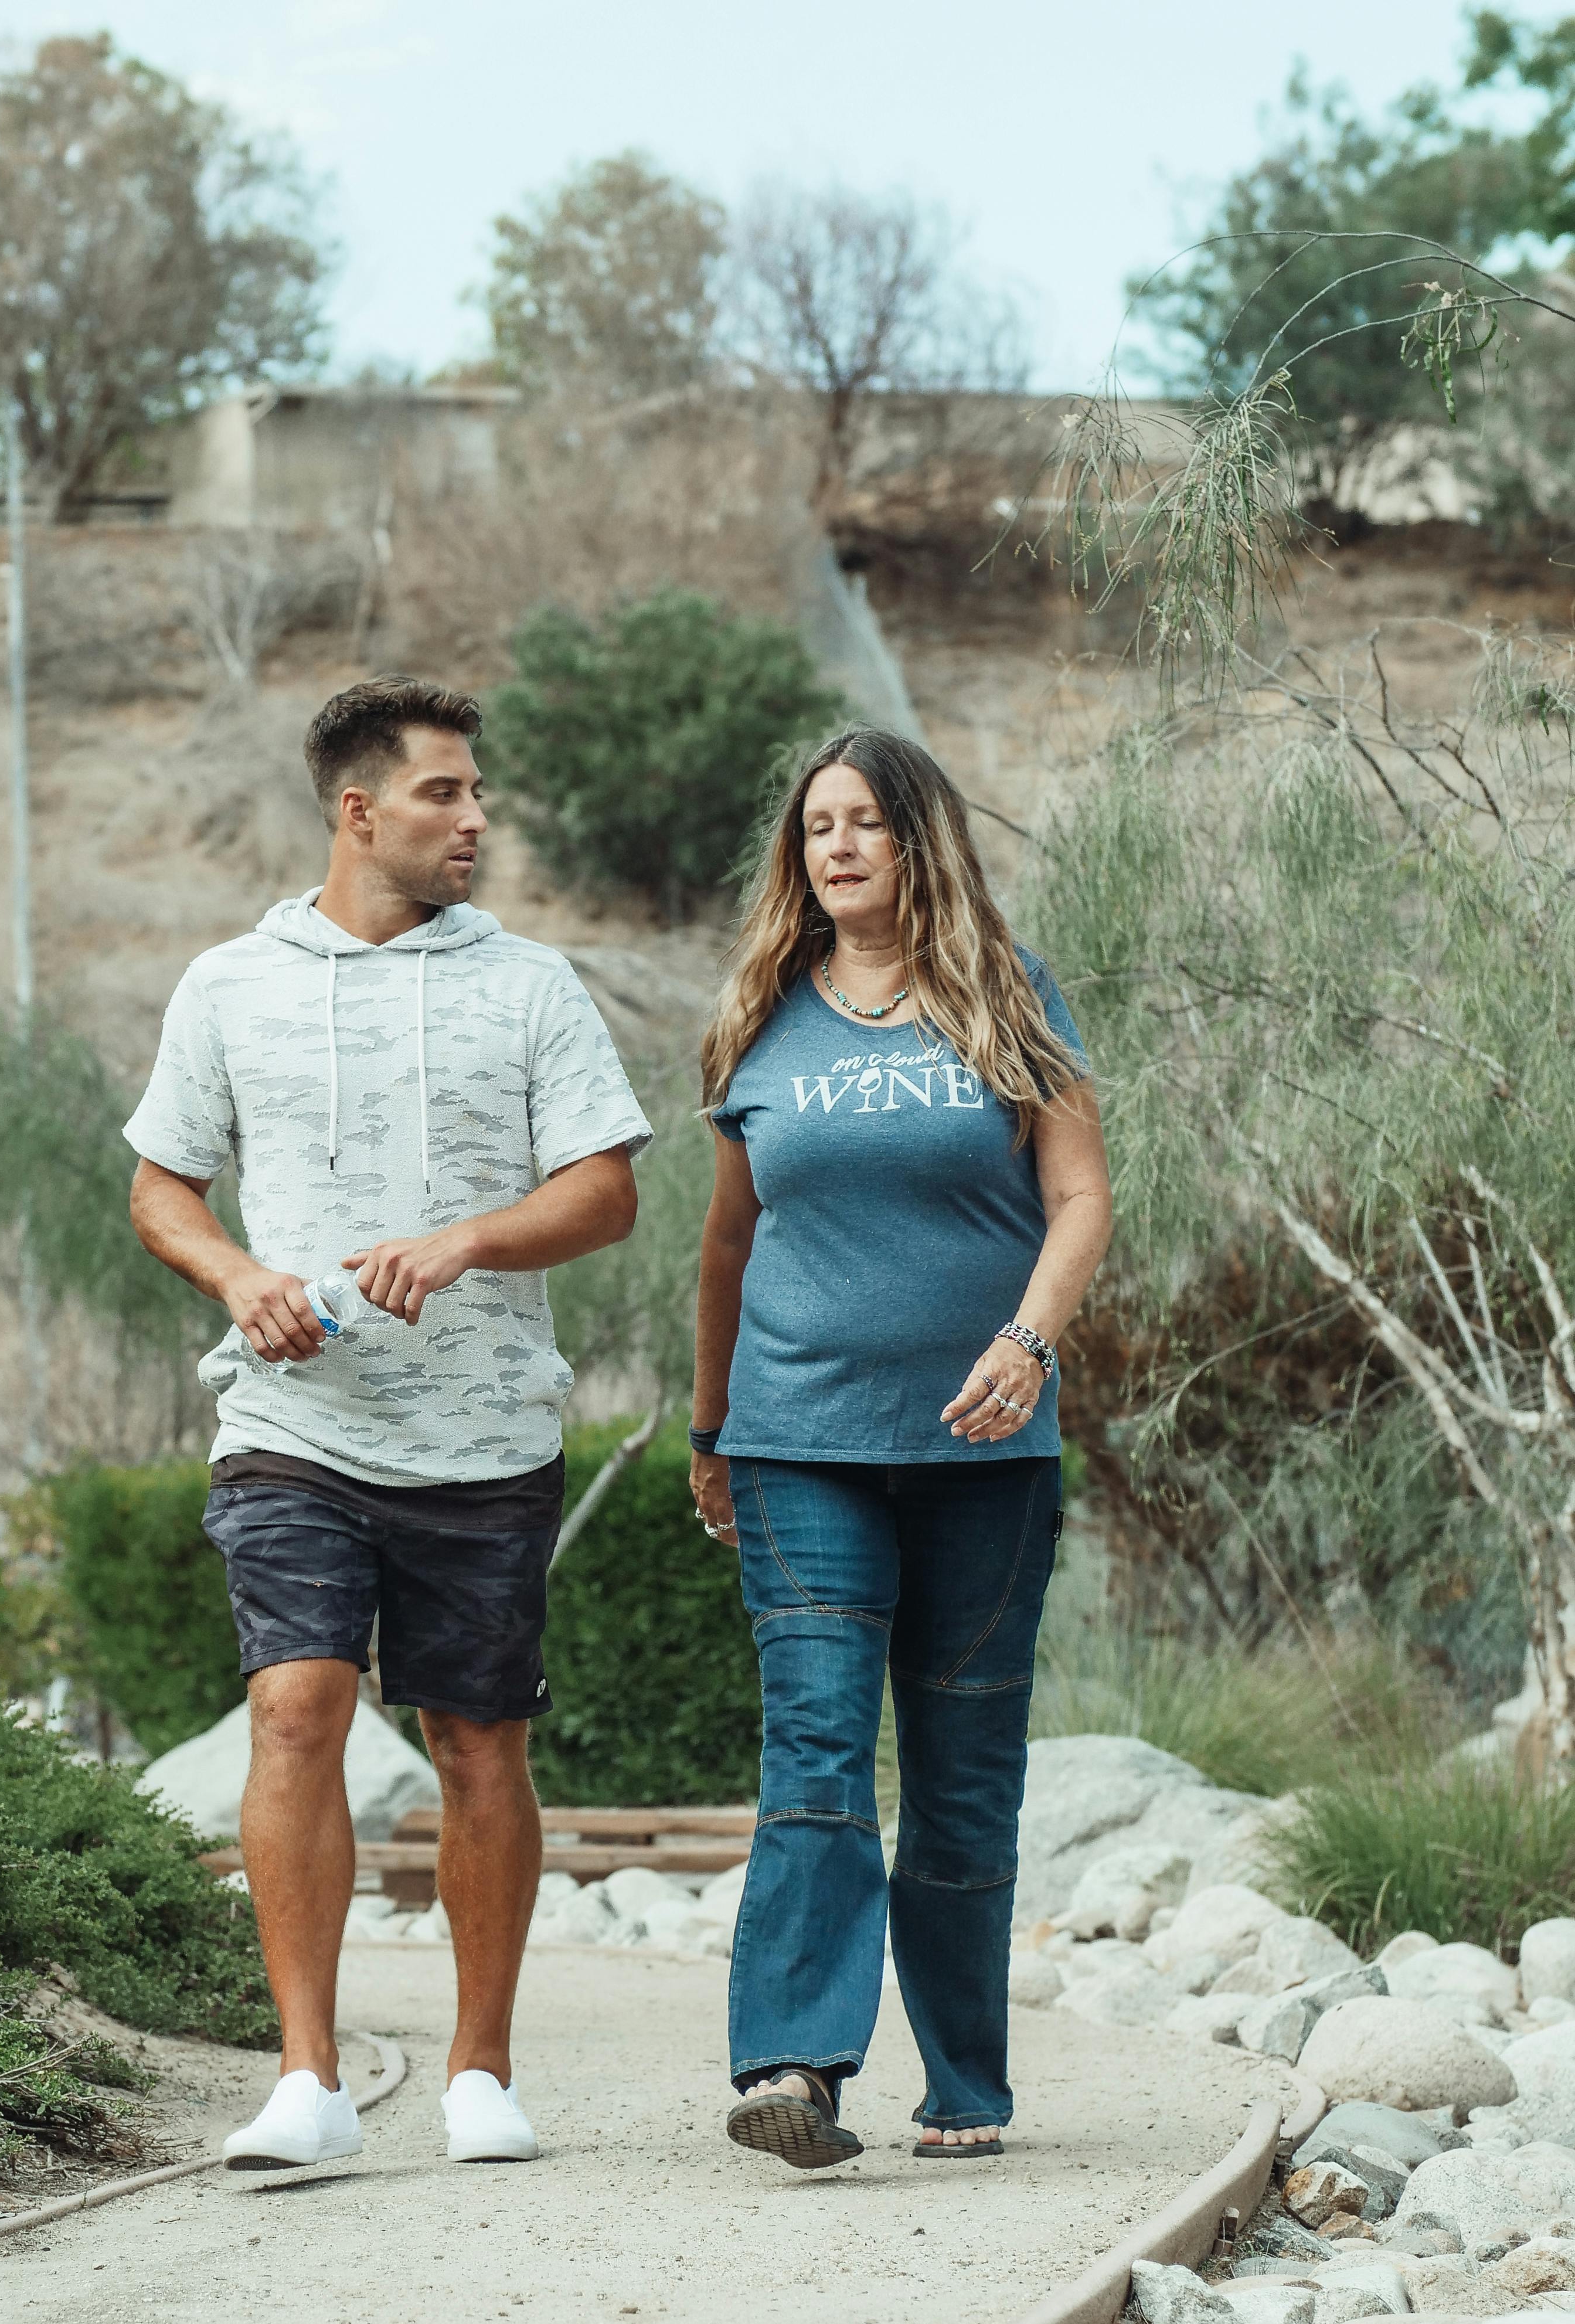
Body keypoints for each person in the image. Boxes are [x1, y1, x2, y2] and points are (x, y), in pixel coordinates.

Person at [124, 676, 649, 2172]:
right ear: (358, 812)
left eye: (477, 793)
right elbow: (162, 1188)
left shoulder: (531, 985)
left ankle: (480, 2072)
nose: (474, 817)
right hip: (291, 1420)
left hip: (484, 1435)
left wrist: (468, 1241)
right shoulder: (229, 983)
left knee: (475, 1741)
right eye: (443, 793)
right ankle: (308, 2081)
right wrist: (239, 1278)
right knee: (295, 1705)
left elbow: (605, 1193)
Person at [689, 727, 1111, 2172]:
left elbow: (1078, 1198)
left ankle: (962, 2084)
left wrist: (1027, 1341)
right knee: (814, 1738)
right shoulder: (759, 1015)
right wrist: (708, 1427)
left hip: (986, 1451)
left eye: (865, 820)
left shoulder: (1011, 995)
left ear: (918, 838)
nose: (838, 846)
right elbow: (725, 1244)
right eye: (817, 826)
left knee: (960, 1772)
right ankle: (793, 2067)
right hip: (797, 1440)